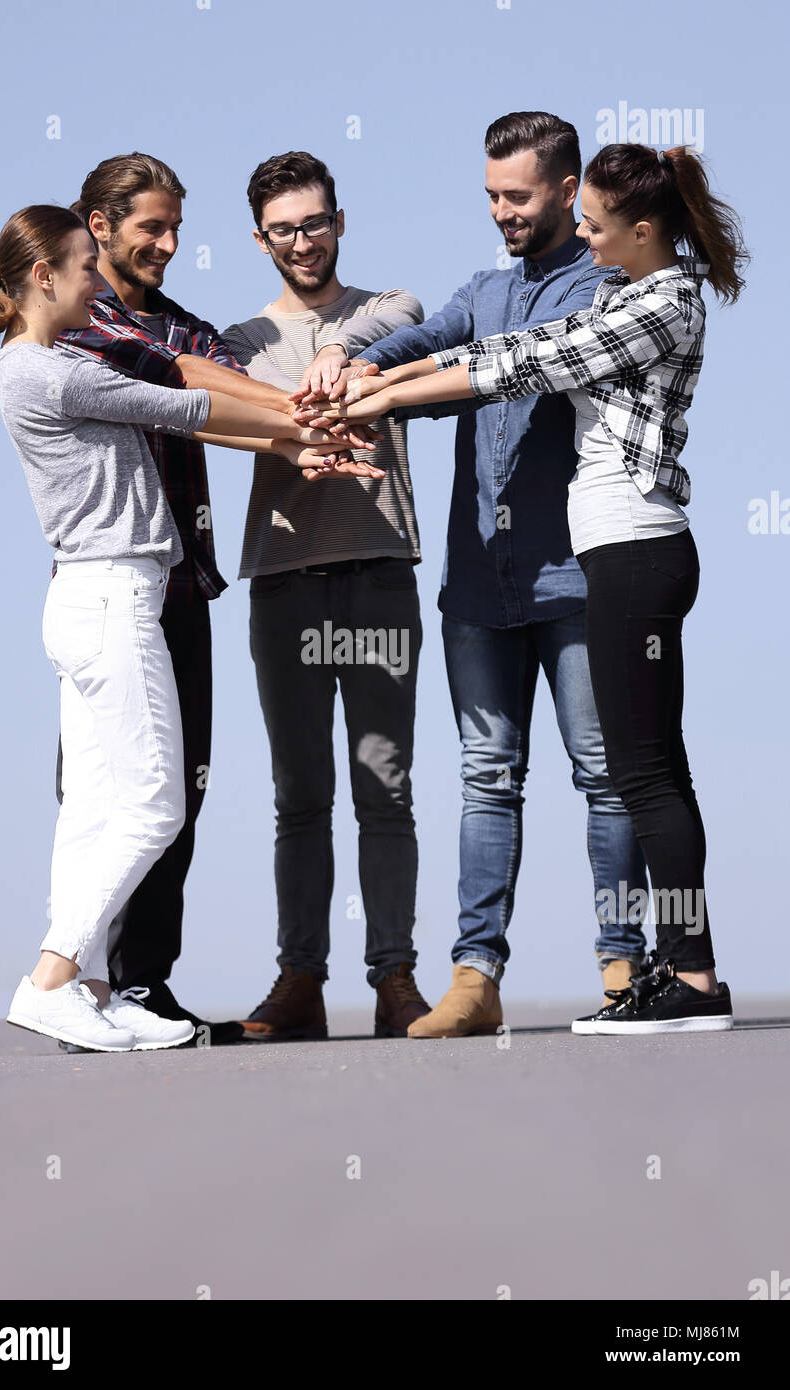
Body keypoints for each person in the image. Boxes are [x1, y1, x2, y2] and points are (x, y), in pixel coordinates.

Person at [313, 141, 748, 1034]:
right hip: (613, 551)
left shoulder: (657, 303)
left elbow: (524, 366)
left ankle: (688, 976)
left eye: (592, 221)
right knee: (643, 770)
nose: (584, 236)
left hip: (631, 548)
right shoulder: (630, 291)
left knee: (638, 775)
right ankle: (682, 967)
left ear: (639, 228)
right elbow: (518, 341)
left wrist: (381, 400)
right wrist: (381, 372)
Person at [0, 204, 376, 1052]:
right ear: (45, 278)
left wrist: (294, 446)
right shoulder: (55, 370)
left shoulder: (27, 366)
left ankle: (88, 989)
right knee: (154, 804)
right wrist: (310, 423)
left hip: (91, 600)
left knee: (94, 810)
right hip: (112, 598)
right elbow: (183, 404)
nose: (93, 283)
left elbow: (189, 407)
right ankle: (50, 978)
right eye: (83, 269)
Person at [220, 151, 432, 1040]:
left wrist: (341, 353)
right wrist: (289, 427)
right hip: (283, 578)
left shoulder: (388, 312)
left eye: (315, 222)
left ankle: (394, 981)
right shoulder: (236, 345)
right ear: (259, 239)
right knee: (298, 793)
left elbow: (403, 317)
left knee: (383, 786)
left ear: (339, 222)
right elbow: (220, 417)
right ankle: (299, 981)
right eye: (283, 229)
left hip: (379, 571)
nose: (302, 241)